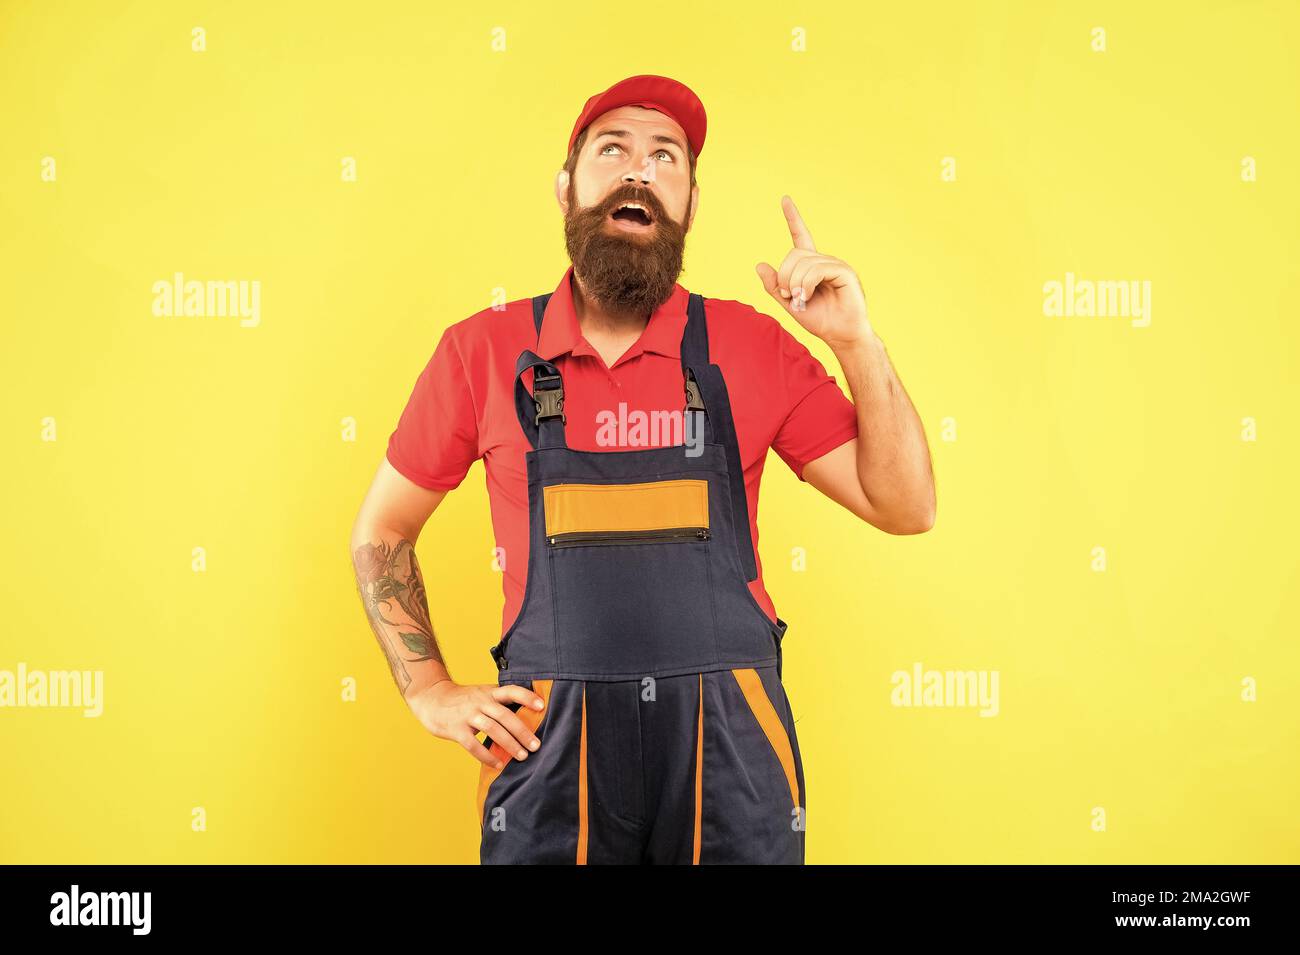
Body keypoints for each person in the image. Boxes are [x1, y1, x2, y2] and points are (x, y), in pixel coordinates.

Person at [350, 74, 935, 864]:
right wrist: (428, 689)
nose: (639, 170)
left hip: (734, 750)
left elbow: (906, 506)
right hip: (544, 748)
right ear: (566, 188)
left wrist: (857, 341)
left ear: (691, 204)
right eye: (613, 150)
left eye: (667, 157)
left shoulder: (751, 347)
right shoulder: (481, 353)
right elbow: (382, 531)